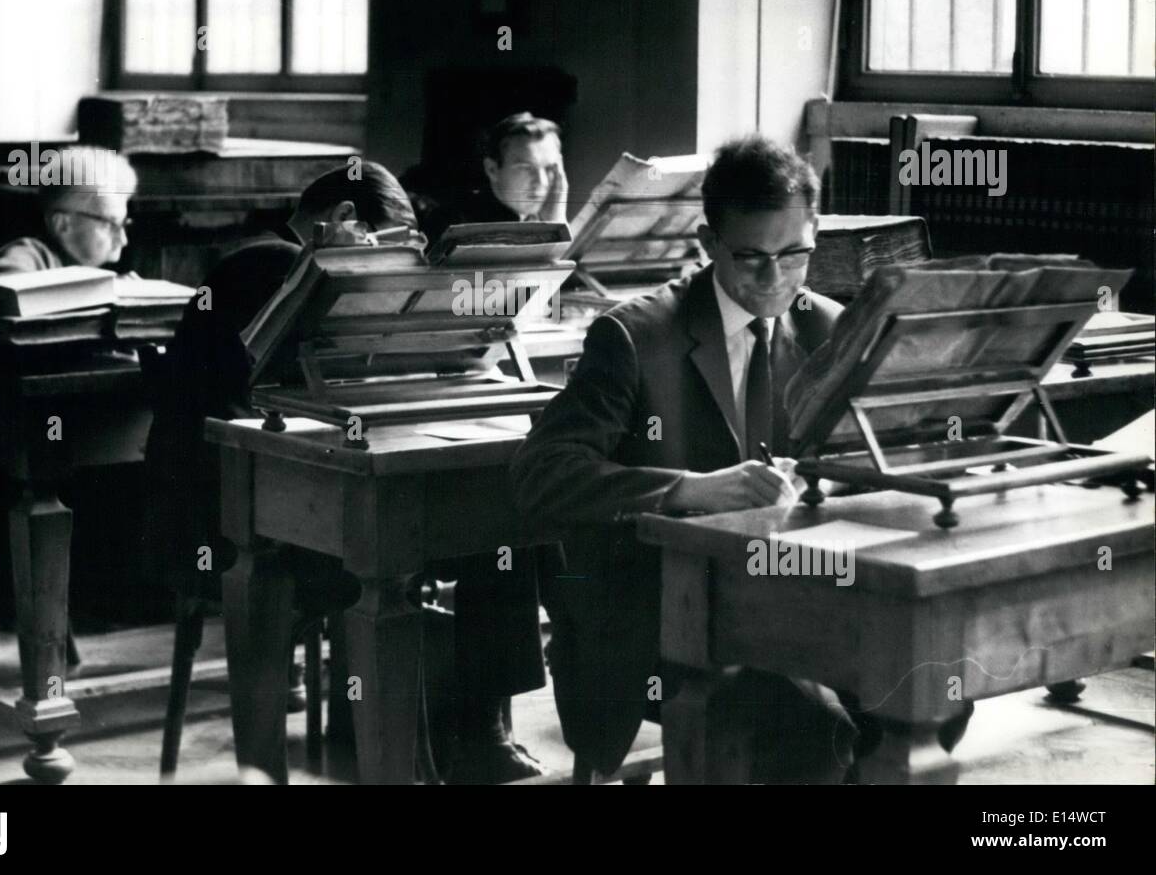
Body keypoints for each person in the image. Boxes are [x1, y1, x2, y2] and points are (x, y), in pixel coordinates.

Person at [143, 161, 546, 783]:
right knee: (439, 547)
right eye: (395, 250)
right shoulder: (272, 263)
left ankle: (466, 728)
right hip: (226, 509)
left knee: (496, 535)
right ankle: (445, 737)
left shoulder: (284, 266)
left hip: (294, 486)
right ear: (346, 223)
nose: (399, 269)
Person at [510, 135, 859, 782]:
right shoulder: (636, 337)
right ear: (707, 242)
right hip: (656, 604)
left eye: (796, 254)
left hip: (790, 585)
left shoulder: (828, 328)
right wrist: (690, 490)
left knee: (909, 675)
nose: (775, 278)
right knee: (811, 710)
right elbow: (541, 474)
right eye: (752, 257)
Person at [409, 112, 570, 245]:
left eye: (550, 168)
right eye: (526, 168)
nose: (542, 182)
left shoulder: (543, 218)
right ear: (492, 169)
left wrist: (557, 222)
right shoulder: (453, 224)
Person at [0, 146, 138, 272]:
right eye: (109, 224)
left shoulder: (89, 266)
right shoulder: (29, 256)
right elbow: (4, 283)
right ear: (62, 224)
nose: (123, 240)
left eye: (123, 224)